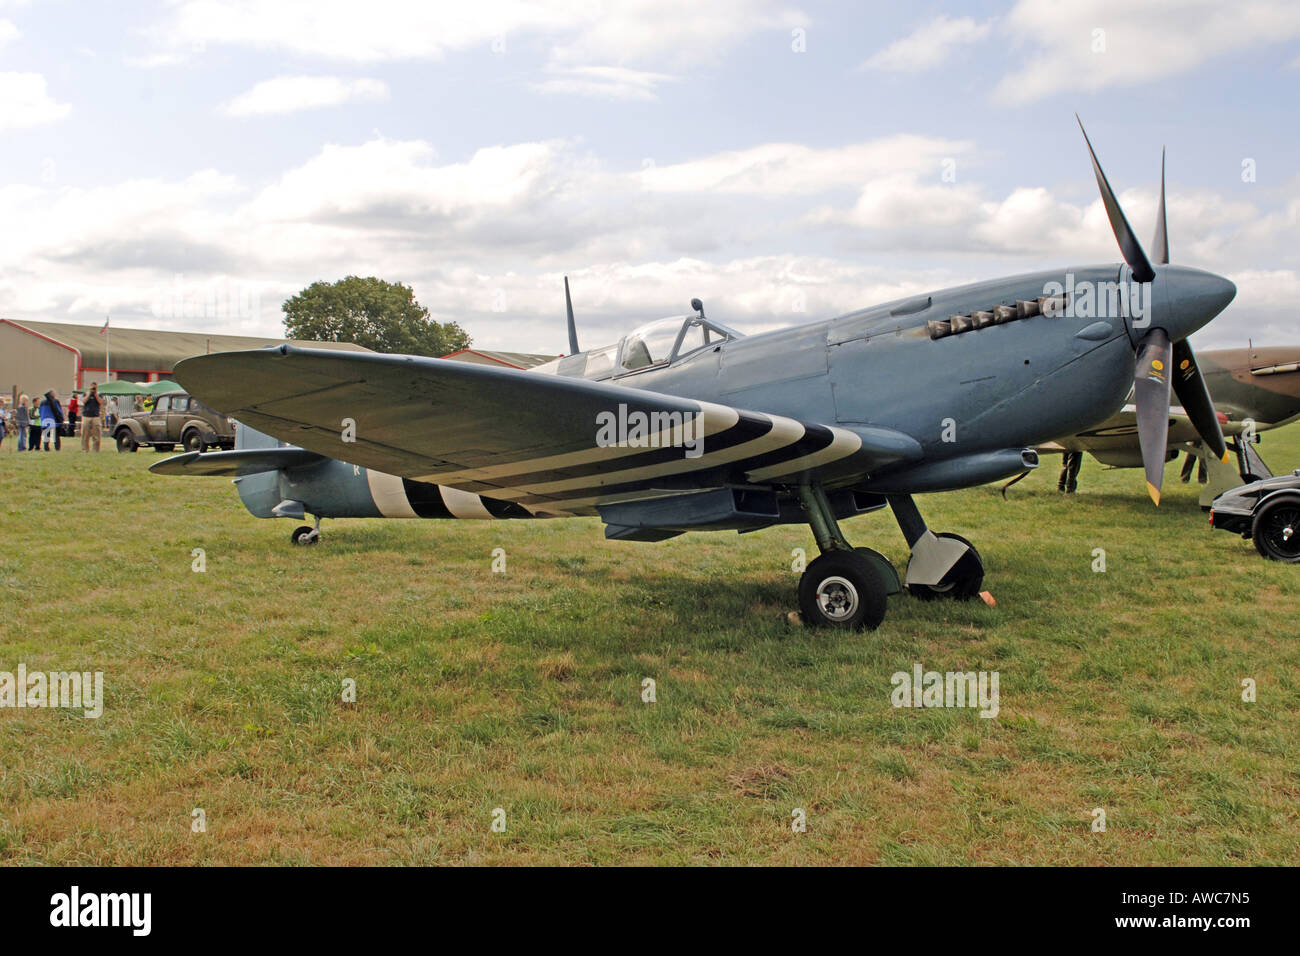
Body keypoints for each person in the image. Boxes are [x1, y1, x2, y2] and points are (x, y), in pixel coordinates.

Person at [80, 383, 105, 452]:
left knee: (97, 434)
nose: (93, 389)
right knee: (85, 435)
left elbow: (100, 402)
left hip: (95, 416)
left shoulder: (99, 394)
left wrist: (96, 394)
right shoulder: (85, 394)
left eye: (94, 388)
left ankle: (96, 450)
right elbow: (83, 401)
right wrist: (89, 393)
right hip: (86, 416)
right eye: (92, 387)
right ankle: (85, 450)